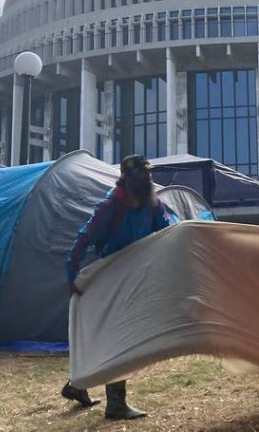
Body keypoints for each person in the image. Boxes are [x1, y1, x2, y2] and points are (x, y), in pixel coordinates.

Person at [60, 155, 180, 420]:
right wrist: (72, 277)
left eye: (149, 174)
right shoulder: (111, 206)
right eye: (141, 175)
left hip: (135, 277)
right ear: (127, 177)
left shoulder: (153, 204)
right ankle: (115, 404)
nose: (148, 178)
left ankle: (77, 385)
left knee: (111, 335)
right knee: (118, 337)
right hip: (111, 278)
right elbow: (84, 238)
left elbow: (167, 232)